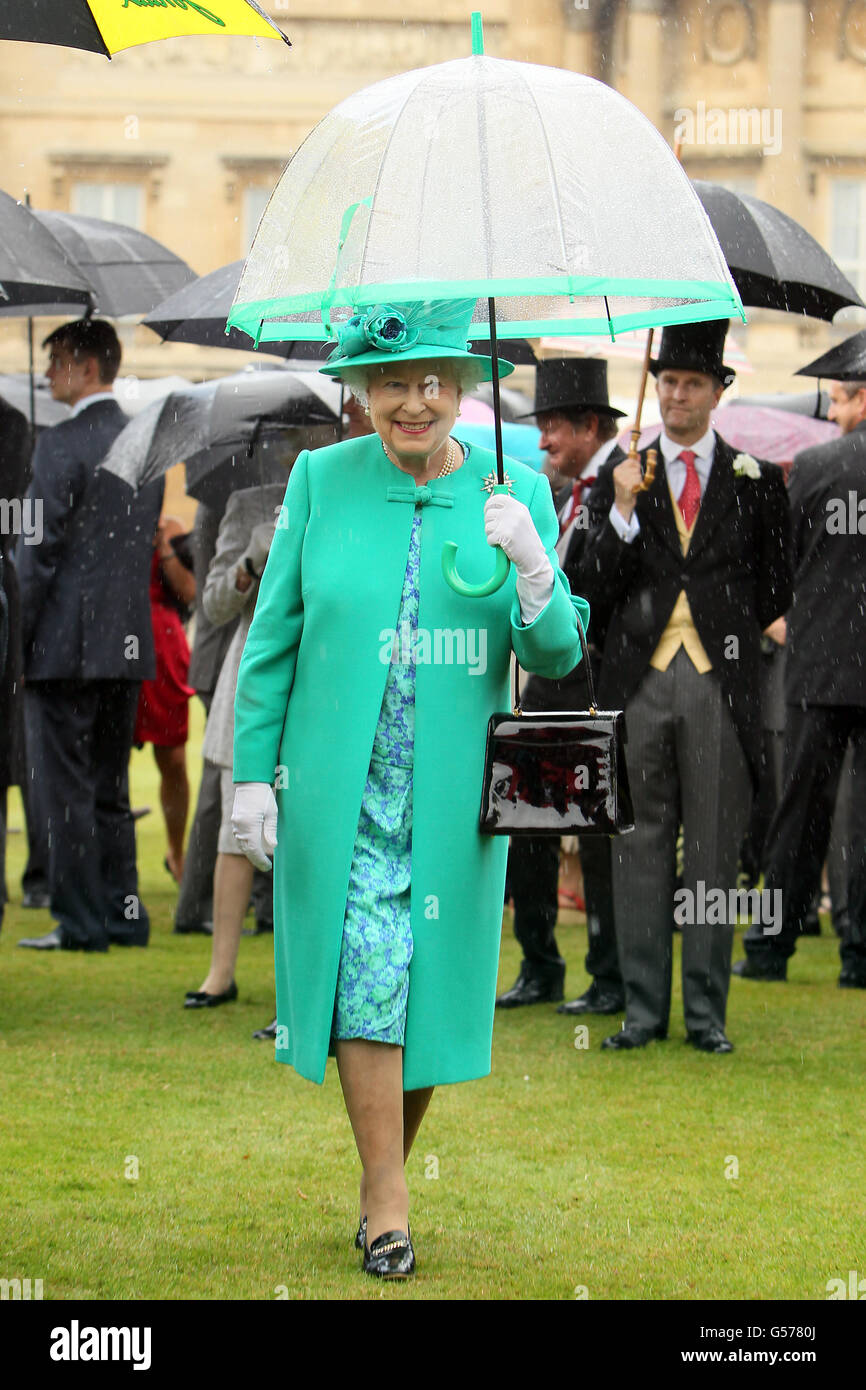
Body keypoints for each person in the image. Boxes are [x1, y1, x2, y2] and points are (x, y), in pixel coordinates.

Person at [229, 300, 586, 1279]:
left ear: (462, 386)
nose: (412, 402)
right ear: (360, 390)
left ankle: (378, 1176)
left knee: (423, 986)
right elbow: (273, 639)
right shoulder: (321, 480)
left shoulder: (514, 487)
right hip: (341, 791)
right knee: (366, 973)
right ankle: (388, 1201)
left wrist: (532, 563)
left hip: (454, 801)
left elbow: (556, 652)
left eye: (431, 380)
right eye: (390, 382)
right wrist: (253, 776)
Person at [580, 320, 792, 1053]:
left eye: (692, 383)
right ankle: (642, 1013)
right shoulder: (621, 473)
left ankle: (706, 1016)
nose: (676, 395)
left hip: (718, 684)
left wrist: (724, 623)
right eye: (667, 381)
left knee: (713, 852)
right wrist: (621, 511)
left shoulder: (757, 482)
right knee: (637, 847)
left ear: (716, 392)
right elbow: (591, 590)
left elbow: (775, 589)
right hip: (639, 684)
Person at [16, 319, 162, 952]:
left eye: (57, 360)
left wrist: (17, 641)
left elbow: (36, 551)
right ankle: (123, 915)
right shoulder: (145, 443)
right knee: (110, 787)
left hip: (61, 646)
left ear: (87, 366)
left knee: (63, 792)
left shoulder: (57, 443)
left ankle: (80, 923)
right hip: (124, 641)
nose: (49, 372)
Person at [496, 357, 626, 1014]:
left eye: (552, 427)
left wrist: (623, 509)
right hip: (547, 685)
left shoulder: (629, 481)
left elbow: (604, 583)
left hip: (601, 680)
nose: (542, 440)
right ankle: (538, 963)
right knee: (527, 826)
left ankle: (609, 975)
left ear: (590, 425)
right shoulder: (558, 493)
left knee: (598, 836)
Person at [733, 377, 866, 986]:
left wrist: (788, 619)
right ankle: (859, 954)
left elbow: (776, 560)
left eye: (838, 398)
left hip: (819, 659)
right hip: (830, 652)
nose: (832, 411)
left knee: (800, 811)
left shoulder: (815, 465)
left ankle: (771, 945)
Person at [134, 515, 195, 884]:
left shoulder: (170, 528)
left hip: (164, 648)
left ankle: (177, 852)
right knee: (109, 760)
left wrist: (165, 547)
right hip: (116, 639)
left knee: (173, 758)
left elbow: (190, 592)